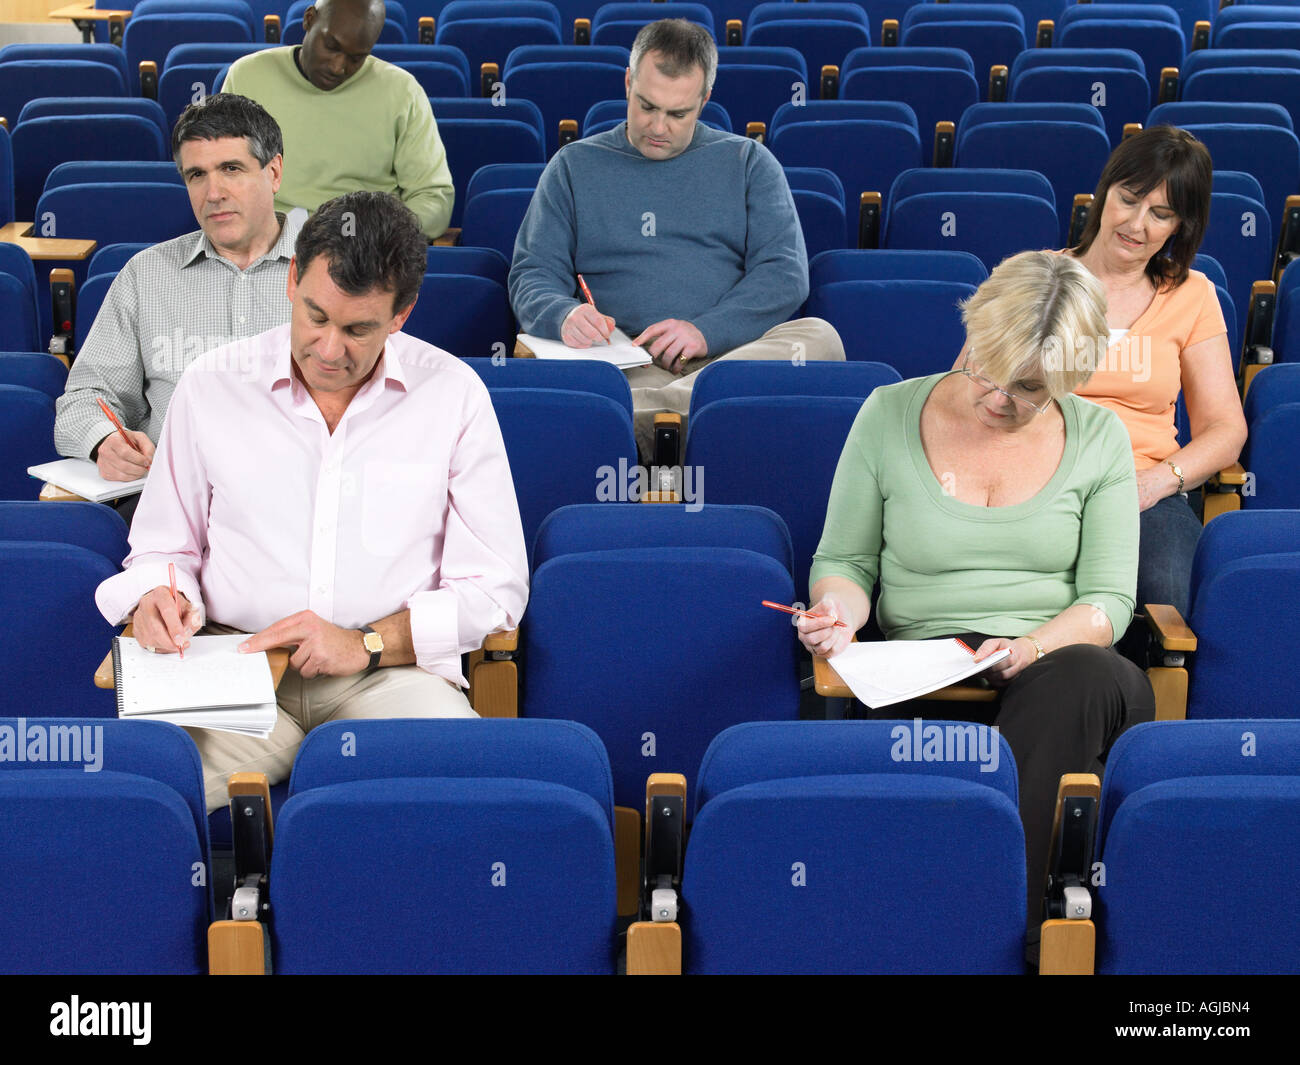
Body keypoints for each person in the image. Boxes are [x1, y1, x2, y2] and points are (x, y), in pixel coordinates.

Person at [93, 191, 529, 814]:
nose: (329, 350)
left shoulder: (454, 396)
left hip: (387, 676)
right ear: (293, 279)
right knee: (125, 800)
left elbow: (497, 587)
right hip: (232, 667)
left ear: (401, 315)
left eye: (358, 330)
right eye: (315, 316)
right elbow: (165, 544)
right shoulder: (210, 385)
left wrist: (369, 644)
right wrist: (159, 594)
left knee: (459, 804)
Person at [798, 251, 1155, 939]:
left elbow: (1107, 601)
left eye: (1027, 387)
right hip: (922, 662)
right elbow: (844, 560)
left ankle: (983, 928)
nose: (996, 397)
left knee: (1078, 678)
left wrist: (1029, 645)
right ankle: (965, 923)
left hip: (1058, 659)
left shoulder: (1099, 438)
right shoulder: (888, 412)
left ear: (1070, 377)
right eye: (982, 366)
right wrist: (838, 611)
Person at [508, 18, 845, 457]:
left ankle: (635, 418)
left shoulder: (748, 162)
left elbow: (784, 274)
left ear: (704, 100)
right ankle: (702, 416)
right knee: (568, 369)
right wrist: (563, 314)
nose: (658, 127)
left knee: (820, 338)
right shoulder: (573, 166)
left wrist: (707, 330)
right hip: (625, 364)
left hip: (731, 360)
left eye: (677, 113)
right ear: (628, 82)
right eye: (647, 105)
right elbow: (533, 273)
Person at [54, 93, 300, 522]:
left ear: (274, 171)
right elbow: (82, 400)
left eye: (231, 169)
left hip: (300, 497)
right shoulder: (146, 275)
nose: (214, 193)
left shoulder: (333, 271)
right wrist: (104, 441)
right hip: (171, 504)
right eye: (196, 175)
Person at [1068, 126, 1246, 622]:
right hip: (1035, 479)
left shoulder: (1193, 295)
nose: (1137, 224)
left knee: (1165, 591)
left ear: (1179, 227)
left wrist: (1156, 483)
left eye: (1161, 214)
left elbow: (1225, 430)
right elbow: (969, 387)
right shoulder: (1035, 276)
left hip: (1144, 487)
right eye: (1128, 200)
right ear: (1104, 195)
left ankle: (1135, 697)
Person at [221, 0, 454, 239]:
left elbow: (434, 198)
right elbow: (220, 172)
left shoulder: (402, 91)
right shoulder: (247, 76)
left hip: (364, 250)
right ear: (309, 19)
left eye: (356, 58)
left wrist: (381, 233)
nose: (338, 67)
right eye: (331, 46)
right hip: (266, 243)